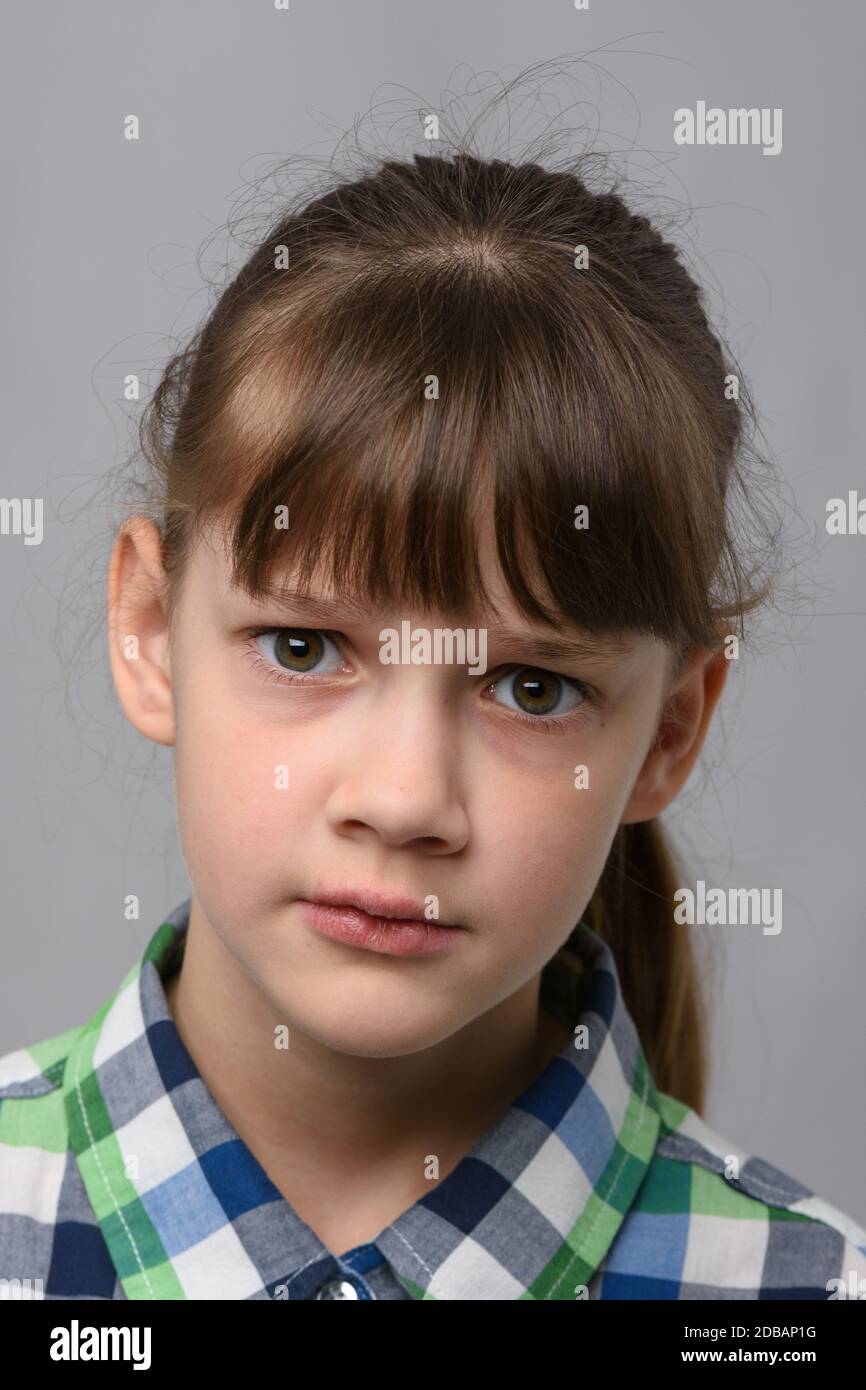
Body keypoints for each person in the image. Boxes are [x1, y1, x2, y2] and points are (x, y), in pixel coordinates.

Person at [2, 145, 864, 1301]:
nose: (404, 800)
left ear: (667, 732)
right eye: (303, 648)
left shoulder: (797, 1298)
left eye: (531, 688)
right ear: (152, 629)